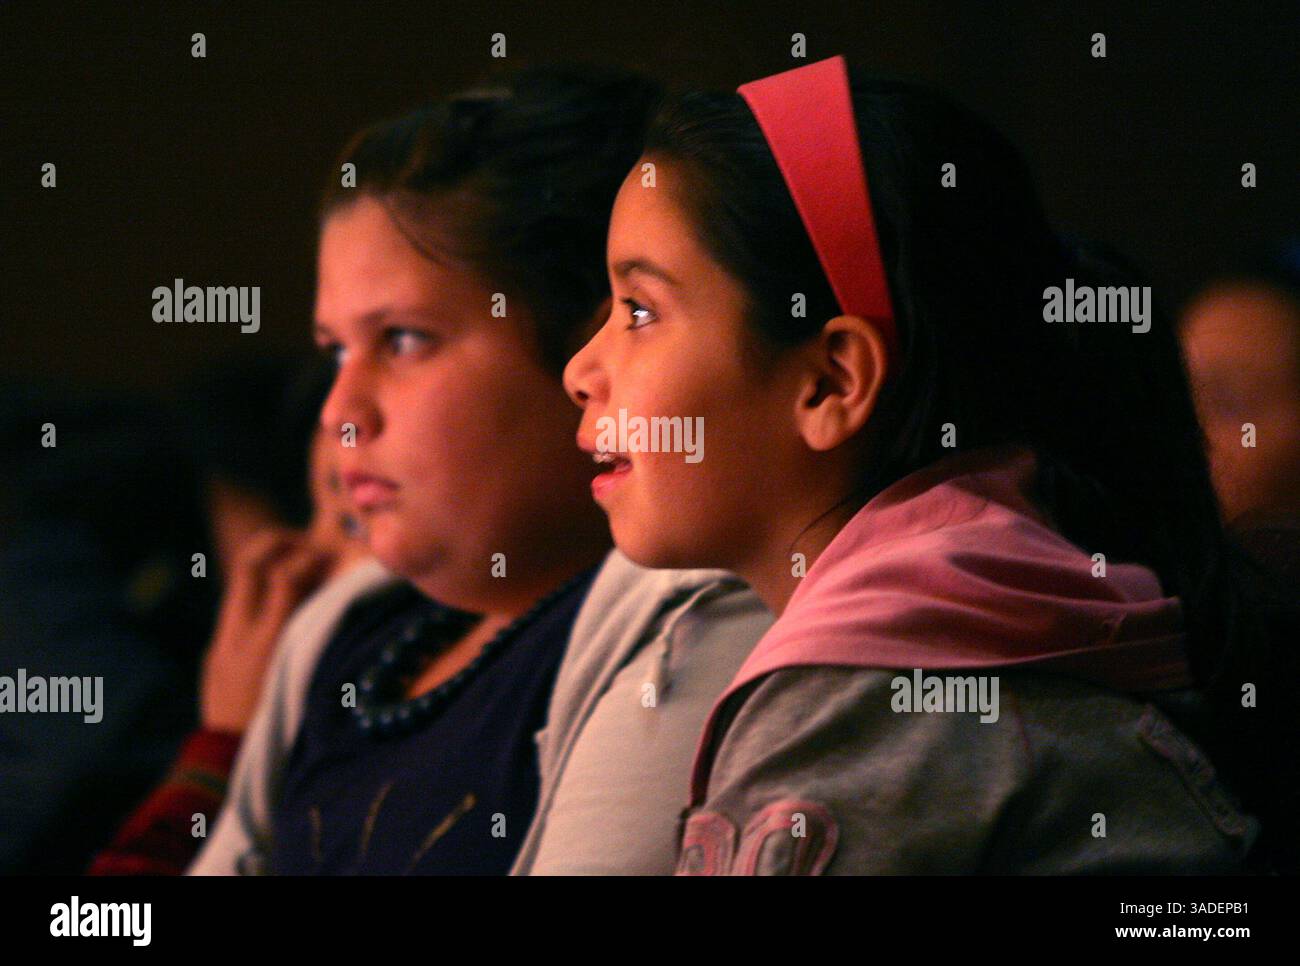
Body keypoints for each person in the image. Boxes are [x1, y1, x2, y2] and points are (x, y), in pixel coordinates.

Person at [564, 57, 1281, 874]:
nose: (581, 370)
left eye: (641, 311)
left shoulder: (863, 699)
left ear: (832, 381)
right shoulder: (963, 629)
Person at [188, 65, 771, 876]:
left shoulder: (693, 614)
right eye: (334, 351)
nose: (339, 410)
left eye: (403, 340)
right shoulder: (341, 632)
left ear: (586, 342)